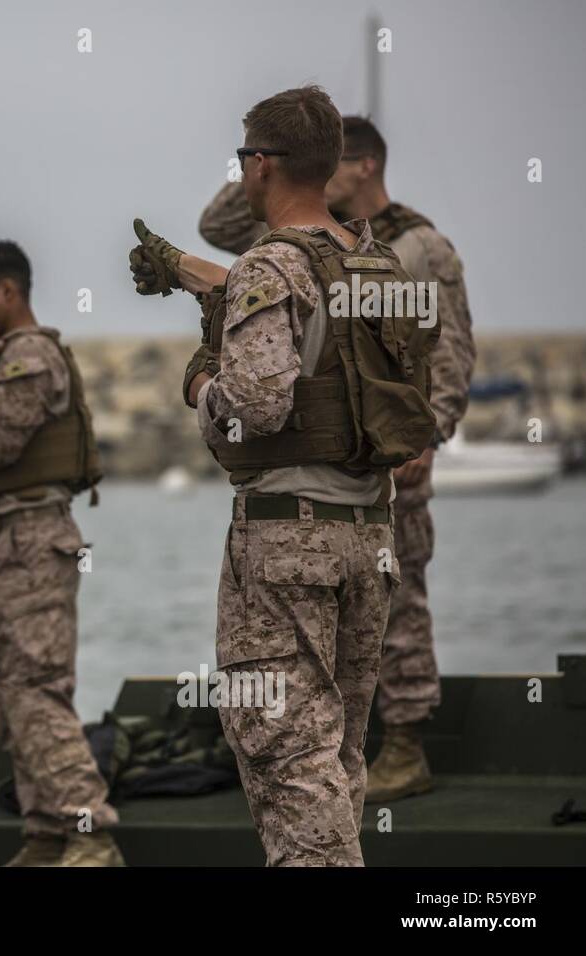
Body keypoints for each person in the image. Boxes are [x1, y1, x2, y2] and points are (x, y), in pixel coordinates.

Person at [129, 86, 438, 865]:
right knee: (335, 757)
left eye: (243, 159)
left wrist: (201, 384)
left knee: (288, 758)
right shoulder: (377, 261)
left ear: (260, 165)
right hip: (368, 538)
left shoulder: (272, 265)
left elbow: (254, 407)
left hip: (286, 545)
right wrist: (205, 282)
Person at [196, 116, 478, 803]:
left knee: (401, 599)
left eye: (343, 164)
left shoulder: (412, 248)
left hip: (388, 455)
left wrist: (428, 436)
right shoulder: (310, 246)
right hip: (321, 456)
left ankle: (405, 743)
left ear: (369, 167)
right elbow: (216, 224)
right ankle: (336, 759)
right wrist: (272, 160)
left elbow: (451, 349)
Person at [0, 240, 121, 867]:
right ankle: (46, 833)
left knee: (35, 691)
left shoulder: (28, 357)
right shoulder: (13, 357)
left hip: (32, 539)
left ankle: (89, 832)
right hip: (14, 540)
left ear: (8, 291)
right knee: (16, 691)